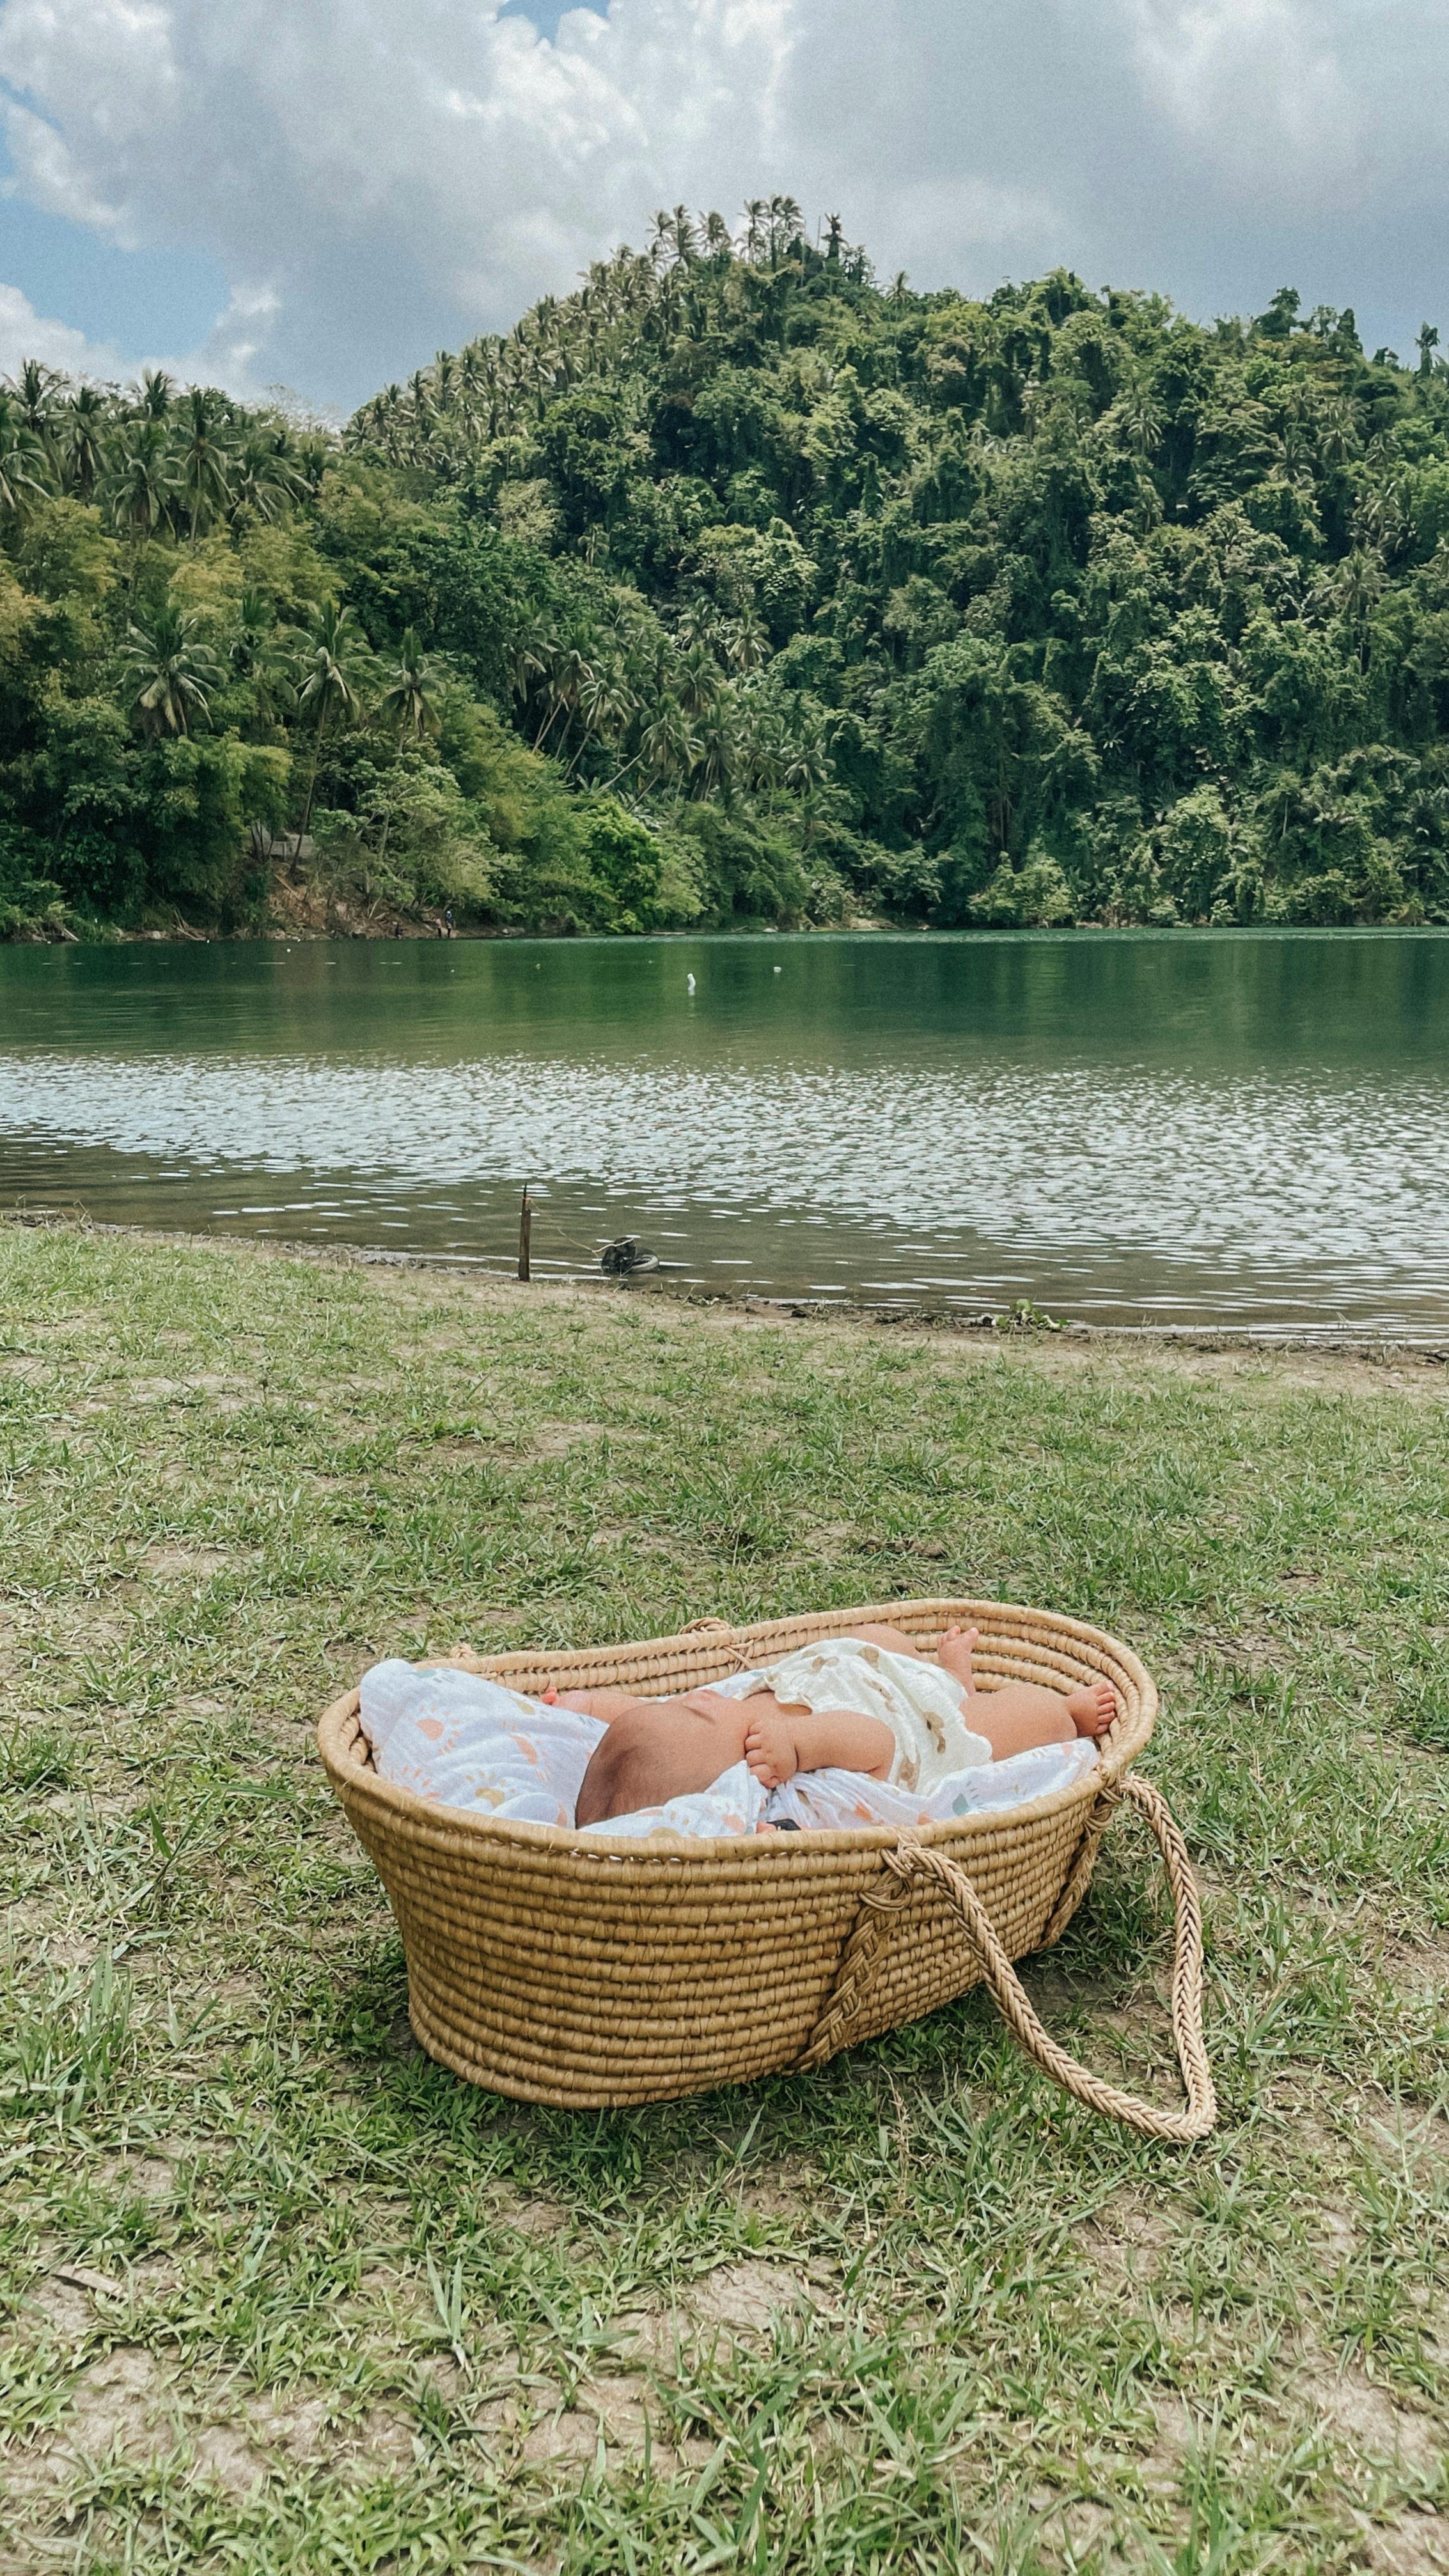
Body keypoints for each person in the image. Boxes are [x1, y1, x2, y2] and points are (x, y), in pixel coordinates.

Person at [567, 1622, 1115, 1831]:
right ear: (732, 1780)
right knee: (1027, 1719)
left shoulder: (714, 1718)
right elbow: (878, 1743)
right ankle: (1061, 1711)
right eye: (698, 1711)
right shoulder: (791, 1785)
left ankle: (949, 1675)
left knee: (887, 1637)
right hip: (932, 1732)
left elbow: (652, 1710)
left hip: (871, 1670)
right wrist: (801, 1746)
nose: (700, 1696)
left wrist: (592, 1703)